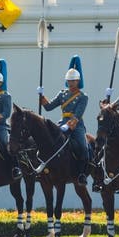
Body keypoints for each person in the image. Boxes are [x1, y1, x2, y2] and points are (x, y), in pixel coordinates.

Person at [39, 55, 89, 184]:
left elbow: (78, 114)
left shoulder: (83, 97)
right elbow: (49, 107)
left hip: (76, 125)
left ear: (78, 81)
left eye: (73, 81)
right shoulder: (62, 94)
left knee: (83, 148)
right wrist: (42, 97)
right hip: (62, 123)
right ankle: (45, 168)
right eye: (69, 80)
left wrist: (70, 124)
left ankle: (82, 174)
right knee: (47, 140)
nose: (70, 83)